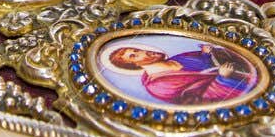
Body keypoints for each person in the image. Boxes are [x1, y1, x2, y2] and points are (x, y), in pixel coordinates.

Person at [102, 40, 258, 107]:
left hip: (247, 74)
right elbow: (196, 101)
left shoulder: (179, 58)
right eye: (134, 55)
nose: (143, 52)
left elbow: (205, 64)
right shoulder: (159, 85)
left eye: (137, 50)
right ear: (133, 65)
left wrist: (206, 53)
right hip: (239, 88)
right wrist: (222, 79)